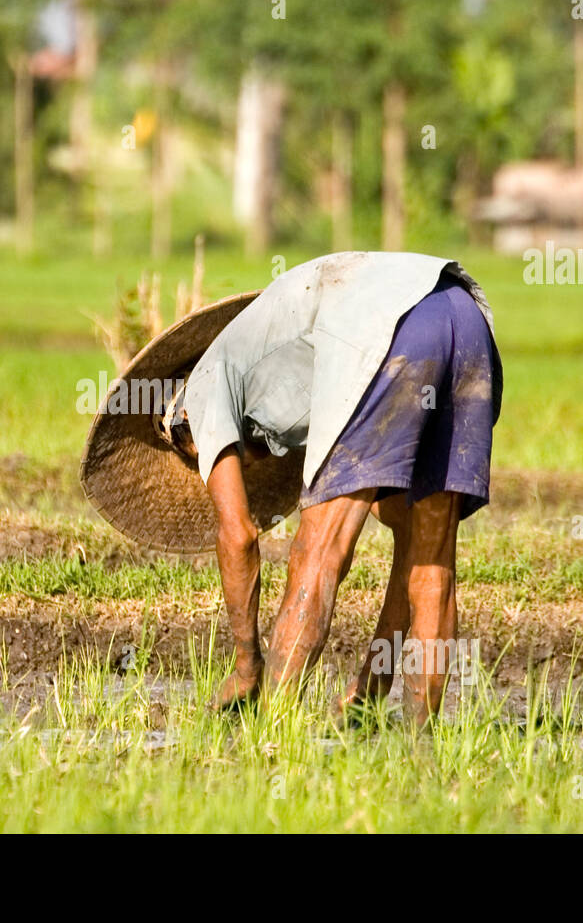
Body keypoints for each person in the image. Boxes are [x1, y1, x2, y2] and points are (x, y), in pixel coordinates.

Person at [154, 252, 502, 725]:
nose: (235, 466)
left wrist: (245, 664)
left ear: (183, 427)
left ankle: (272, 732)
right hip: (465, 319)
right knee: (431, 565)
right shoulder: (283, 363)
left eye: (200, 459)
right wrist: (369, 689)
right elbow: (405, 554)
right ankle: (419, 748)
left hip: (384, 330)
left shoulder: (201, 388)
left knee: (317, 552)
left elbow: (237, 534)